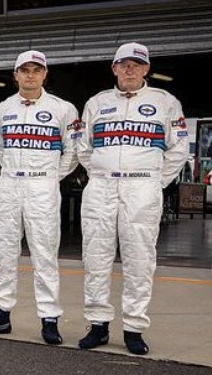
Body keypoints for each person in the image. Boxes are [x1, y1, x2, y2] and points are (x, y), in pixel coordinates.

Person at [75, 42, 188, 355]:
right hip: (101, 187)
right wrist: (102, 171)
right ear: (114, 67)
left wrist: (153, 182)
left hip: (142, 189)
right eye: (123, 63)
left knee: (139, 258)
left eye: (136, 64)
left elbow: (178, 150)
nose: (130, 69)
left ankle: (134, 328)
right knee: (95, 255)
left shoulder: (165, 102)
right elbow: (83, 148)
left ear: (146, 69)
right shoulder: (97, 103)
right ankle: (97, 324)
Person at [0, 50, 80, 344]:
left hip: (43, 186)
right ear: (15, 75)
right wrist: (15, 172)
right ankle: (1, 314)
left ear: (45, 74)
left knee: (45, 253)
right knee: (5, 251)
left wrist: (49, 176)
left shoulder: (63, 109)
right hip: (10, 184)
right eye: (25, 70)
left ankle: (49, 318)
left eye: (36, 70)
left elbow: (71, 153)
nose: (30, 75)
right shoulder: (4, 108)